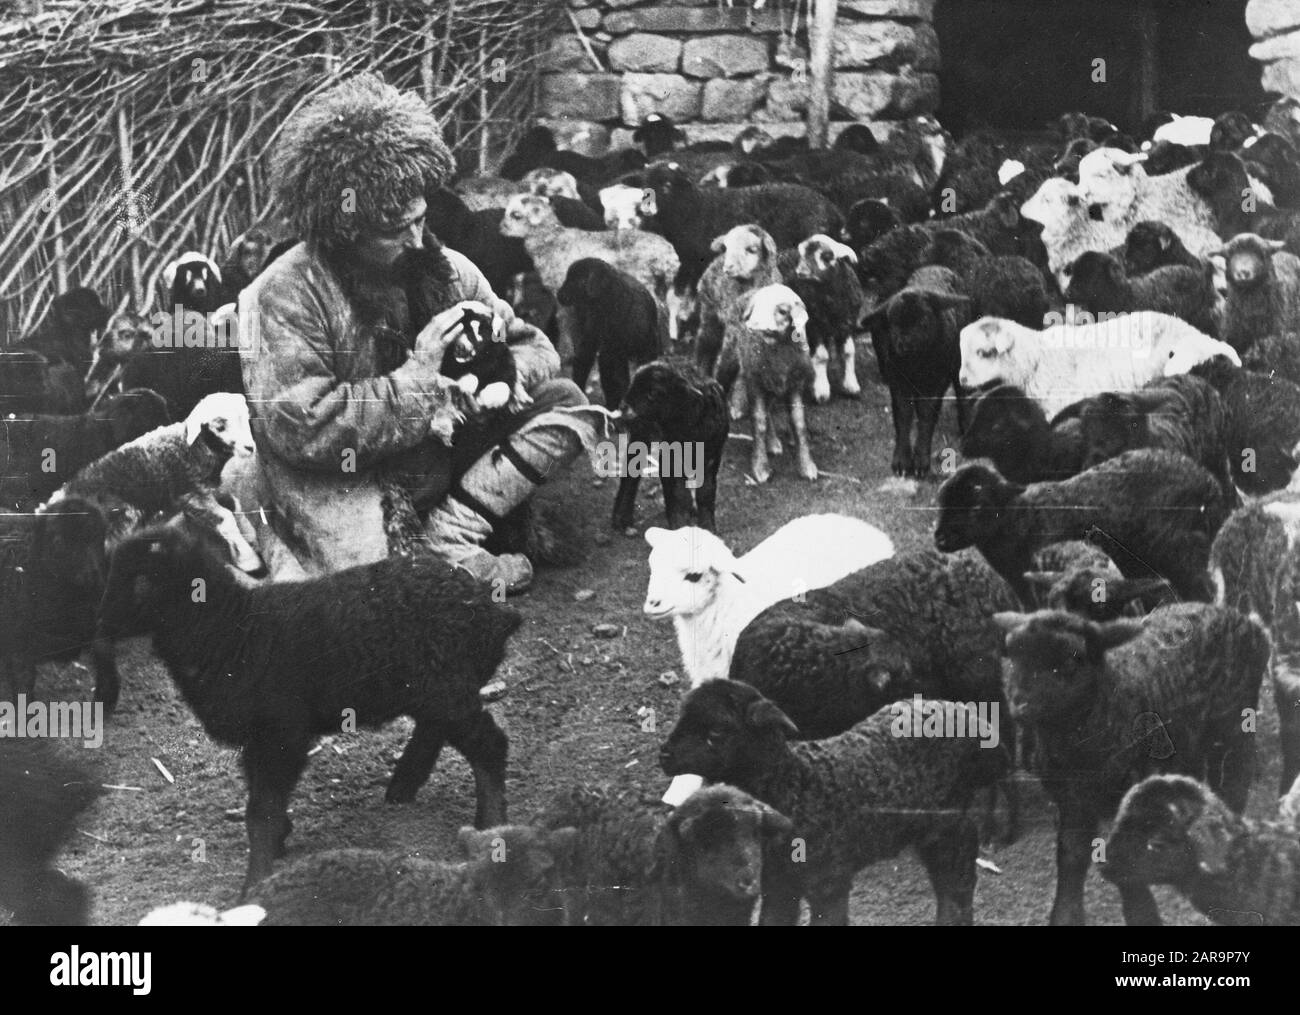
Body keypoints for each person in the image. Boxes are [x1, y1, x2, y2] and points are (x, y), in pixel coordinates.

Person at [232, 73, 605, 592]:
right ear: (345, 228)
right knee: (370, 592)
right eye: (392, 229)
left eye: (420, 218)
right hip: (345, 473)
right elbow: (304, 427)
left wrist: (494, 378)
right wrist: (417, 383)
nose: (415, 239)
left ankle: (454, 531)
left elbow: (532, 344)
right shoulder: (282, 295)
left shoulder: (445, 266)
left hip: (437, 459)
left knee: (564, 400)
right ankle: (263, 507)